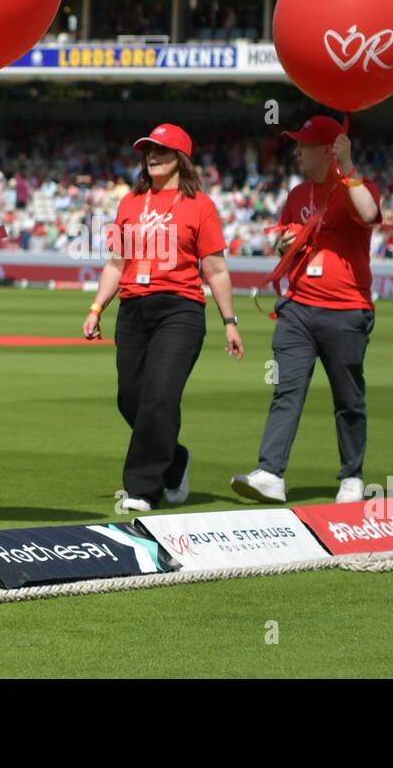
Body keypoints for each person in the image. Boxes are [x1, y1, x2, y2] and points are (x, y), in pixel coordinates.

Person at [83, 123, 245, 513]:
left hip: (181, 310)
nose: (152, 157)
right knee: (130, 400)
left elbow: (217, 269)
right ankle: (175, 459)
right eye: (148, 151)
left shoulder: (200, 206)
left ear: (181, 160)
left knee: (159, 397)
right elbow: (116, 262)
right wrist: (96, 307)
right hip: (134, 309)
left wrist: (230, 321)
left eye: (162, 151)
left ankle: (141, 488)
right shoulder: (130, 203)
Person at [232, 116, 381, 505]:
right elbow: (286, 241)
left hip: (346, 309)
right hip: (298, 307)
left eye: (304, 145)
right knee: (286, 389)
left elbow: (368, 215)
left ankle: (351, 476)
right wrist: (284, 245)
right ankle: (270, 473)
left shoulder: (354, 187)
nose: (296, 151)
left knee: (348, 397)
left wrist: (348, 167)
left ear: (328, 150)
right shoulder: (297, 194)